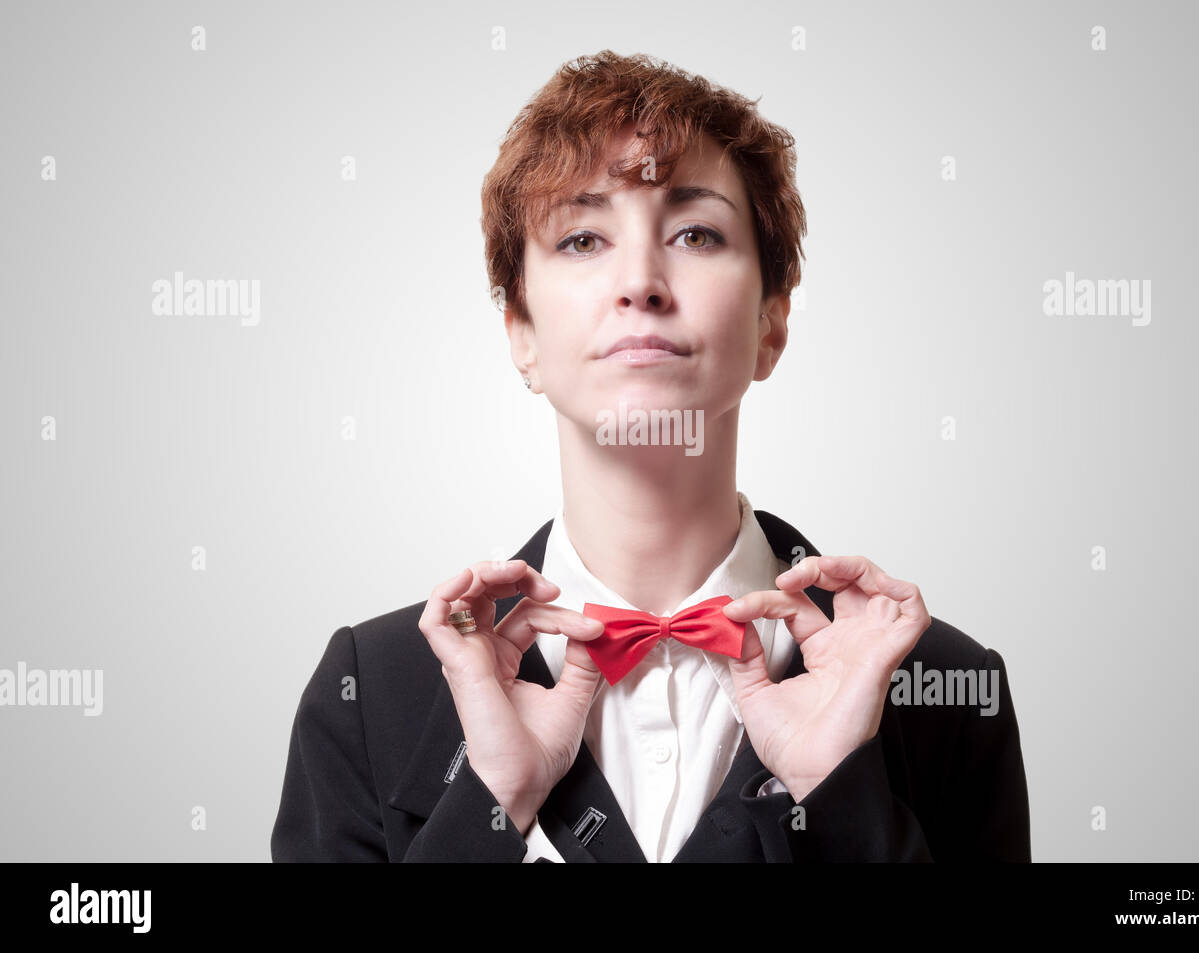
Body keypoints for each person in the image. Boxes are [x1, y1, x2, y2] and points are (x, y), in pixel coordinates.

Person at [271, 49, 1031, 863]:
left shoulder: (943, 687)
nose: (640, 280)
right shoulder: (371, 691)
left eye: (696, 232)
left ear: (772, 321)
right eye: (583, 237)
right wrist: (493, 804)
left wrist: (839, 794)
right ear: (520, 334)